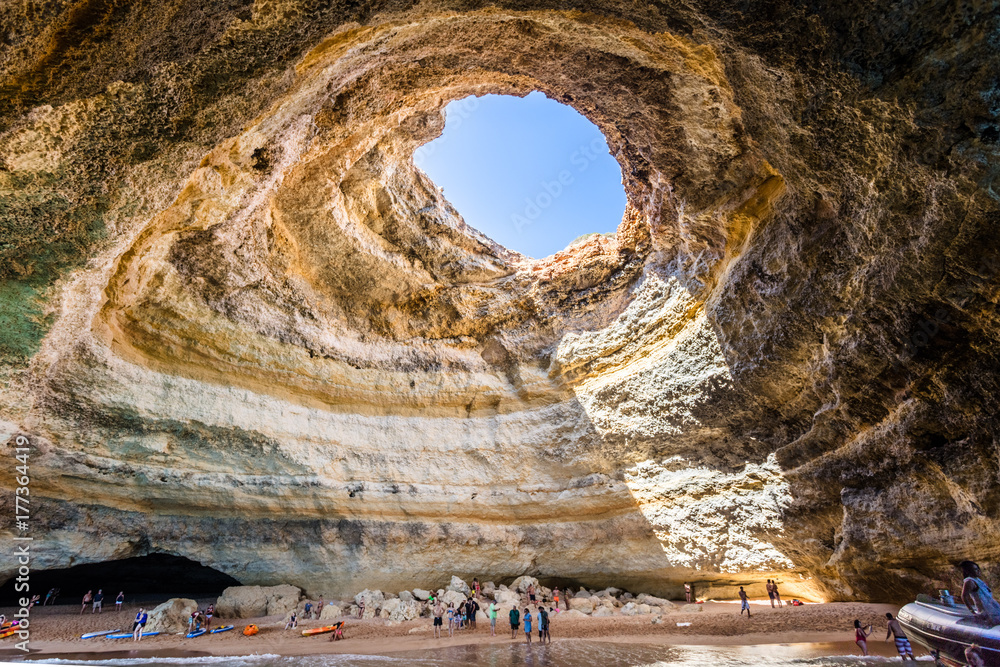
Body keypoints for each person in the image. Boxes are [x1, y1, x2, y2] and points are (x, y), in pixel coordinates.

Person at [960, 560, 1000, 625]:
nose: (978, 571)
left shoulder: (978, 580)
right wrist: (972, 611)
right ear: (968, 571)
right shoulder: (969, 581)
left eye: (978, 568)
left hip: (992, 609)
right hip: (986, 611)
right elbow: (964, 596)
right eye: (975, 569)